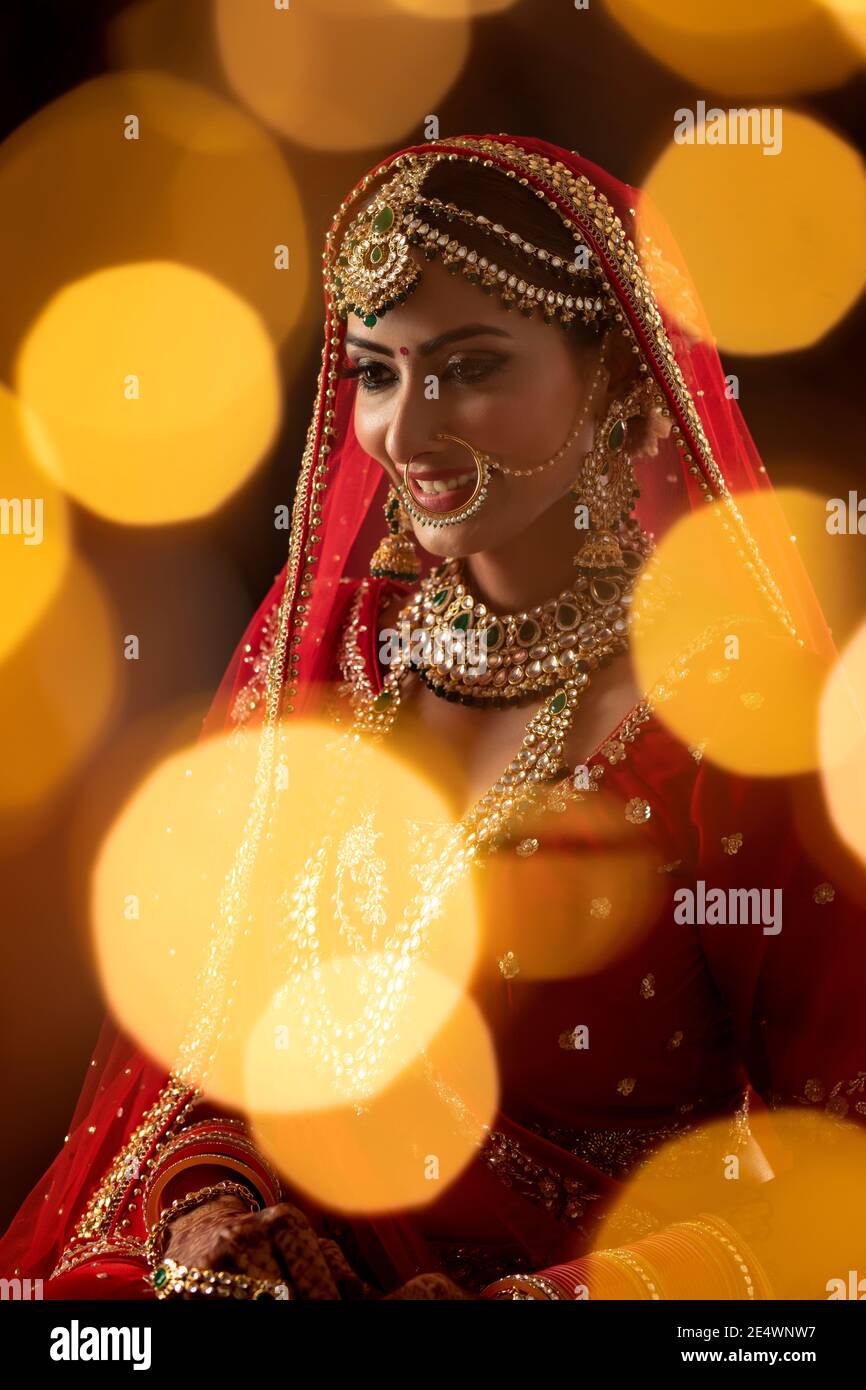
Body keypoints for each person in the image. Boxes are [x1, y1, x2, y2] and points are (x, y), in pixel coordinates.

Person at [2, 133, 863, 1301]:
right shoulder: (335, 651)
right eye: (375, 372)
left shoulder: (732, 717)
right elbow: (212, 1041)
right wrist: (211, 1204)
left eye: (467, 368)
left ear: (614, 374)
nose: (404, 435)